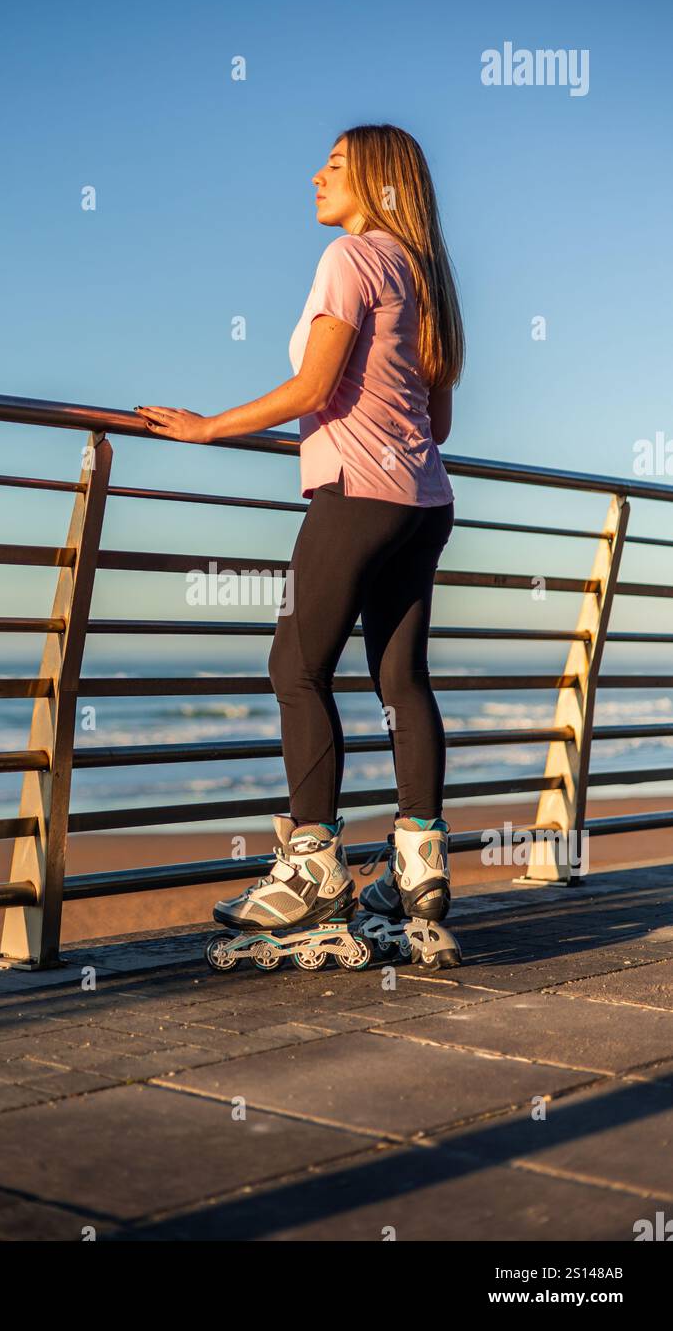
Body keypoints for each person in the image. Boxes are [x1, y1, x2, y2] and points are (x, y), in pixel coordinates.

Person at [135, 123, 464, 970]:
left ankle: (312, 865)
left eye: (337, 165)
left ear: (379, 182)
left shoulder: (351, 261)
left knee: (295, 667)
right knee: (402, 679)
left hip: (357, 495)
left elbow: (316, 385)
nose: (317, 176)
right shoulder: (423, 275)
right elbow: (438, 419)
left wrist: (209, 428)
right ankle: (419, 869)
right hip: (424, 502)